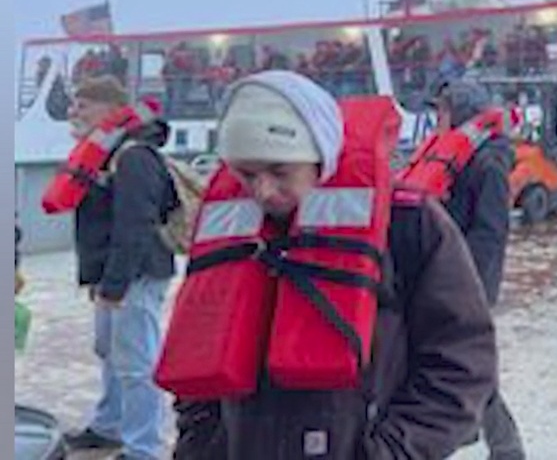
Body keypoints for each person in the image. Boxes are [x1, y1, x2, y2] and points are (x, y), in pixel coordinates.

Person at [169, 71, 498, 459]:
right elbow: (198, 359)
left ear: (321, 156)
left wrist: (391, 451)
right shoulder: (231, 233)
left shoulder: (410, 225)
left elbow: (462, 361)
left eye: (280, 171)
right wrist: (202, 448)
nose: (263, 191)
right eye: (246, 174)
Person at [61, 77, 176, 460]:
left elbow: (135, 225)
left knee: (135, 364)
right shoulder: (106, 154)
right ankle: (109, 427)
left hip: (135, 275)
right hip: (114, 274)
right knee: (110, 353)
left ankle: (144, 448)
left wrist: (115, 285)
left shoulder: (133, 157)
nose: (74, 112)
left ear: (111, 110)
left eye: (84, 105)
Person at [429, 79, 527, 460]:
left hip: (466, 280)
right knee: (459, 363)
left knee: (467, 365)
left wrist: (470, 288)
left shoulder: (488, 162)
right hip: (444, 275)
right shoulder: (461, 156)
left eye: (441, 110)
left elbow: (490, 233)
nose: (437, 118)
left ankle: (506, 448)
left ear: (459, 113)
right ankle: (484, 438)